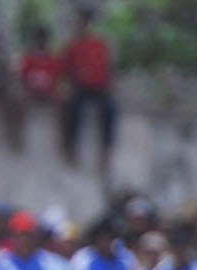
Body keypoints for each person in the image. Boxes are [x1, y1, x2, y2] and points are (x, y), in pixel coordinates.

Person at [59, 6, 117, 176]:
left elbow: (108, 68)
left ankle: (105, 152)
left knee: (110, 110)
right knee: (73, 108)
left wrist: (110, 86)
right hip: (79, 88)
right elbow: (64, 69)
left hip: (99, 88)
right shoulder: (72, 45)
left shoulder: (100, 44)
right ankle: (71, 148)